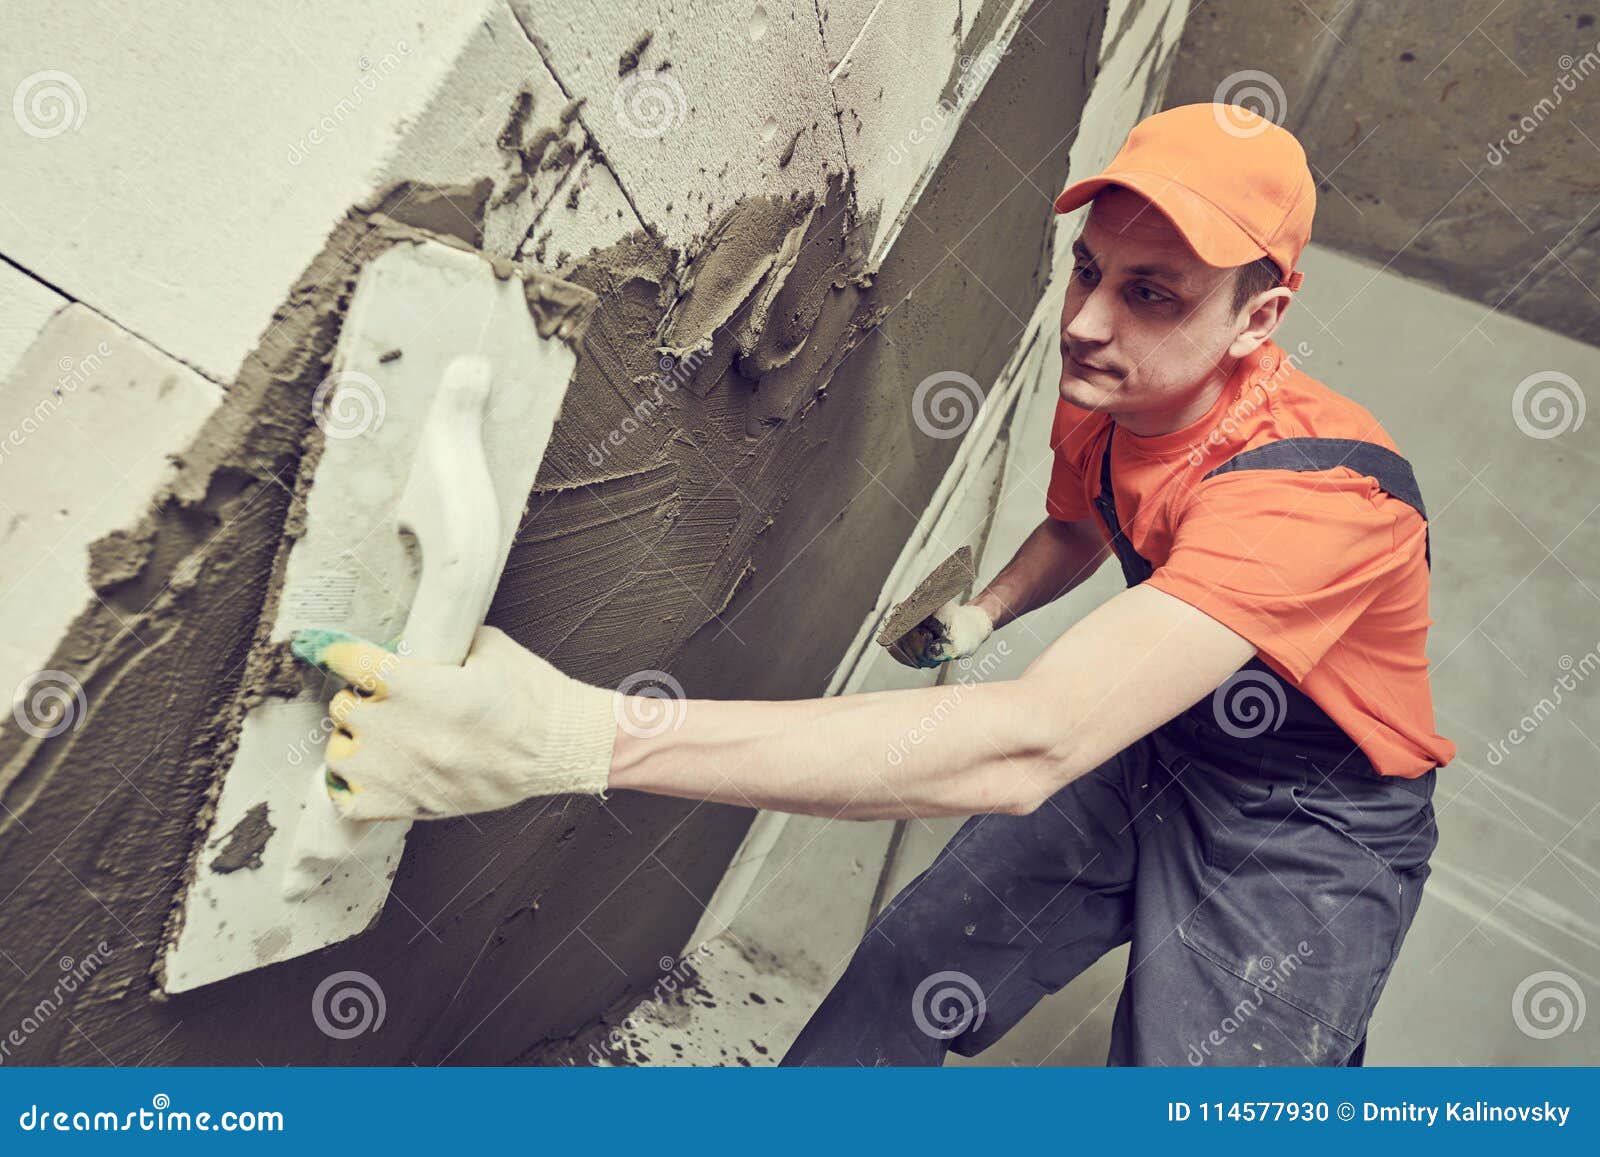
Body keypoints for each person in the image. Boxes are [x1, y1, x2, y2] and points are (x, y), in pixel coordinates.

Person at [293, 103, 1454, 1066]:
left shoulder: (1324, 496)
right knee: (919, 959)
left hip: (1312, 821)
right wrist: (985, 609)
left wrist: (571, 737)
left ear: (1260, 318)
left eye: (1154, 293)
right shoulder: (1116, 385)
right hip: (1163, 748)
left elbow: (1029, 743)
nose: (1088, 323)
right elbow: (1082, 526)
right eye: (1086, 271)